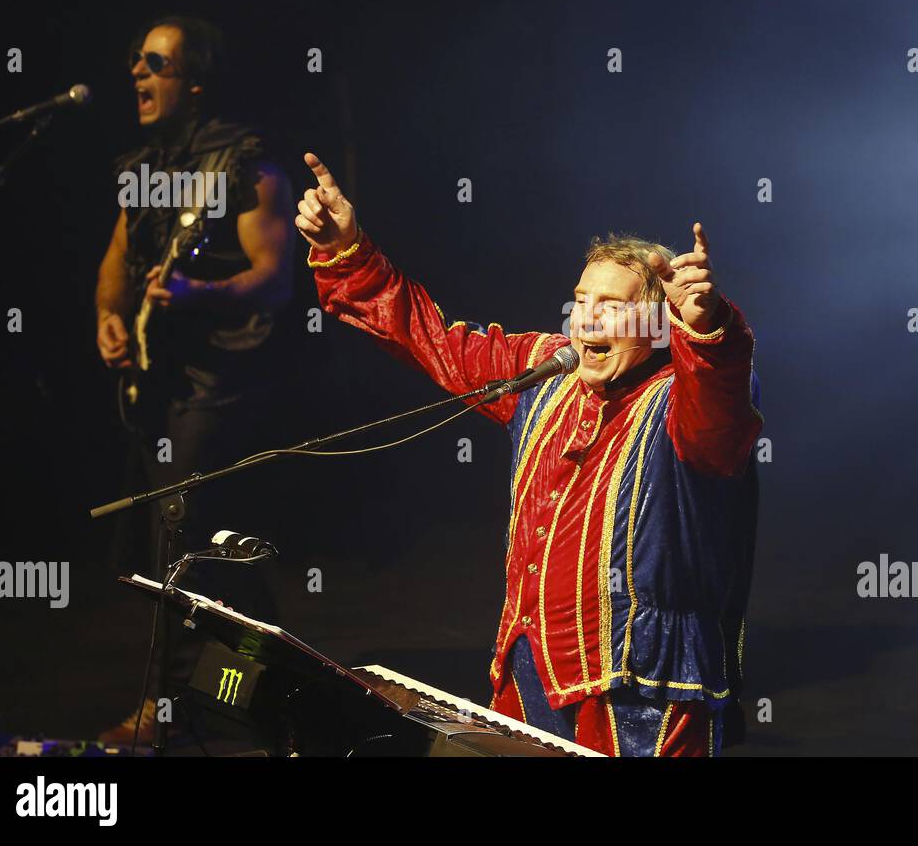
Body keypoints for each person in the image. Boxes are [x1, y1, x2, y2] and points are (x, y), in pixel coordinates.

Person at [297, 152, 762, 756]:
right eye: (581, 299)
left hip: (639, 690)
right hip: (532, 666)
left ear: (656, 324)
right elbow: (431, 339)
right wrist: (350, 252)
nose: (586, 318)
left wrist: (708, 325)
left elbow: (721, 404)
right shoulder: (543, 373)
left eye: (613, 306)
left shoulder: (683, 398)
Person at [94, 16, 294, 744]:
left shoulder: (246, 164)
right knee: (206, 549)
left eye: (154, 63)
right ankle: (262, 681)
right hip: (161, 380)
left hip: (223, 377)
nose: (136, 75)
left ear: (195, 80)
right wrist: (107, 318)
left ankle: (166, 709)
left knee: (174, 539)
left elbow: (275, 276)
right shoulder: (145, 163)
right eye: (134, 61)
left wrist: (203, 297)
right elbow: (118, 256)